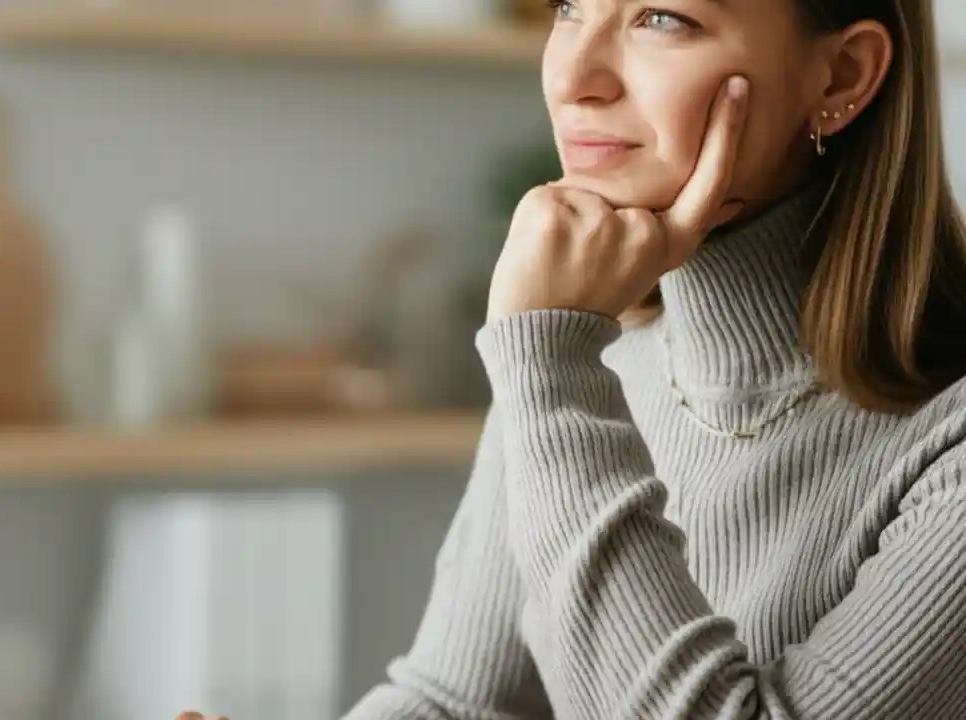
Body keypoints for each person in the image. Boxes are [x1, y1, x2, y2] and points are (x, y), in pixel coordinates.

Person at [338, 0, 966, 718]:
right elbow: (451, 700)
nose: (573, 79)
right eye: (568, 7)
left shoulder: (560, 372)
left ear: (842, 75)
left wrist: (549, 366)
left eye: (662, 18)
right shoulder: (587, 365)